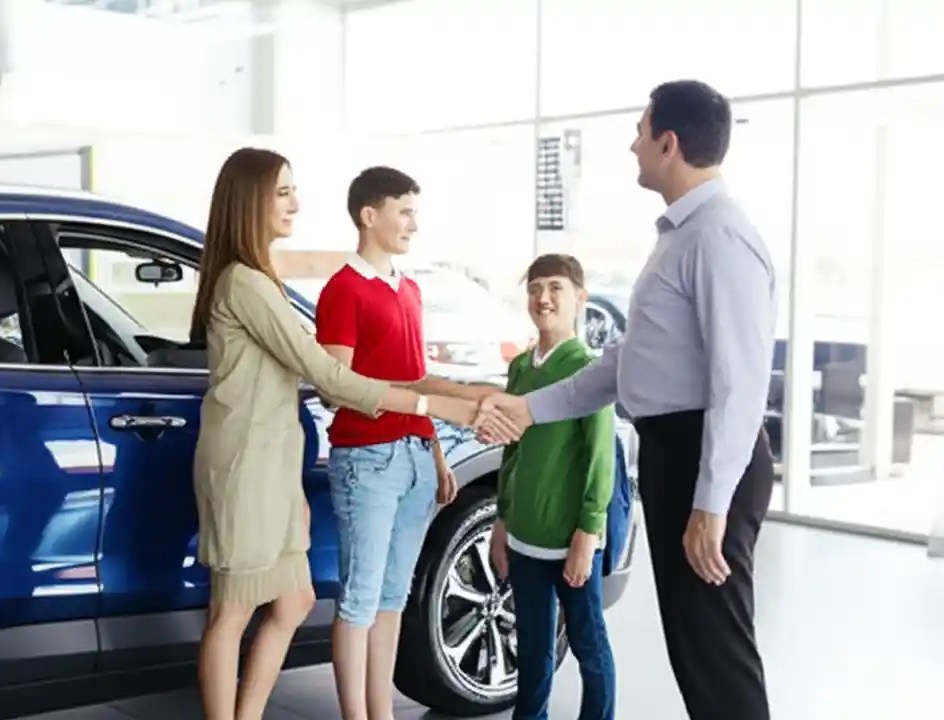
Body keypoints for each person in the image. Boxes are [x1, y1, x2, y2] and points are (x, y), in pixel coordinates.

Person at [483, 80, 777, 720]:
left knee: (716, 656)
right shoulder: (682, 235)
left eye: (640, 132)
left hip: (705, 455)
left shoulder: (719, 236)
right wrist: (528, 409)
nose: (633, 145)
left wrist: (711, 502)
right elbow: (628, 363)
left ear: (669, 143)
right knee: (696, 654)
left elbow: (741, 381)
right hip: (678, 452)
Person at [189, 147, 517, 720]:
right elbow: (331, 378)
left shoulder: (263, 281)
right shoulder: (245, 283)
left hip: (276, 465)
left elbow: (382, 371)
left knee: (295, 599)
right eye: (283, 192)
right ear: (250, 200)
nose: (295, 203)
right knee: (232, 611)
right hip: (248, 465)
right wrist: (437, 405)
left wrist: (462, 399)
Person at [315, 166, 502, 720]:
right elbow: (337, 387)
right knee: (360, 598)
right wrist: (432, 411)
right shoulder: (342, 290)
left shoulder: (409, 290)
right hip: (367, 461)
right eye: (405, 212)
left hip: (416, 459)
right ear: (369, 215)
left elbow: (415, 378)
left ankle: (382, 712)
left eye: (415, 213)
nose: (413, 224)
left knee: (393, 597)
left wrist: (439, 449)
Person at [489, 254, 616, 720]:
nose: (543, 298)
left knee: (588, 646)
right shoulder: (522, 368)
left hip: (570, 541)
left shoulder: (587, 369)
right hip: (524, 538)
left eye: (555, 288)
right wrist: (502, 518)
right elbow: (512, 448)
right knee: (532, 648)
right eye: (535, 288)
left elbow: (600, 459)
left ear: (580, 297)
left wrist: (588, 532)